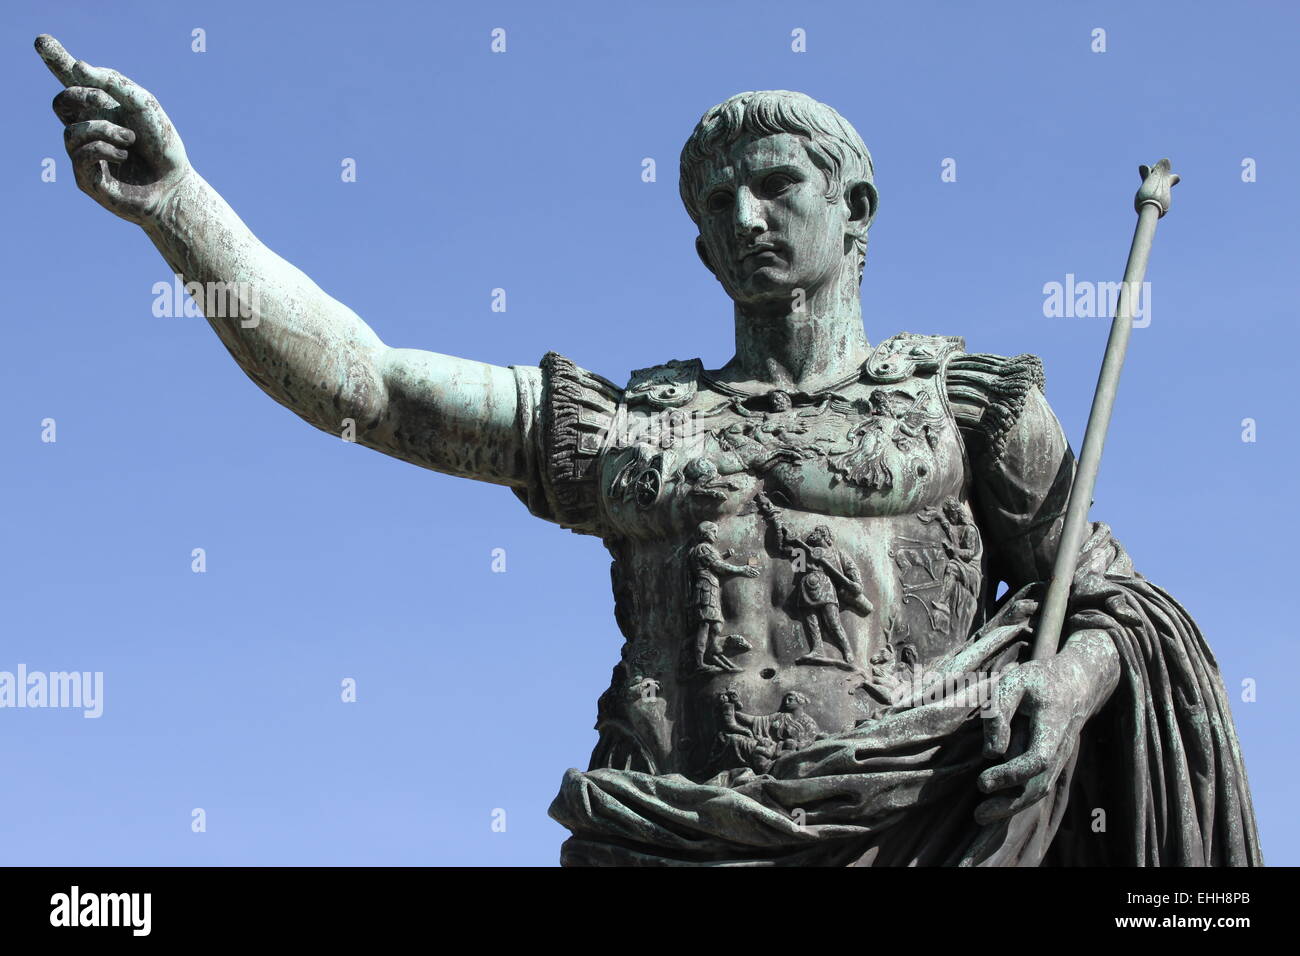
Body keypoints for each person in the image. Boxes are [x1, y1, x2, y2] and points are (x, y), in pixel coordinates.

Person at [38, 35, 1260, 866]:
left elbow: (1104, 598)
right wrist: (179, 206)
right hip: (666, 836)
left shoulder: (966, 404)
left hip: (911, 831)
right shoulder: (630, 425)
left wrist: (1066, 681)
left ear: (857, 210)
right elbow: (364, 384)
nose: (742, 216)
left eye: (776, 184)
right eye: (714, 203)